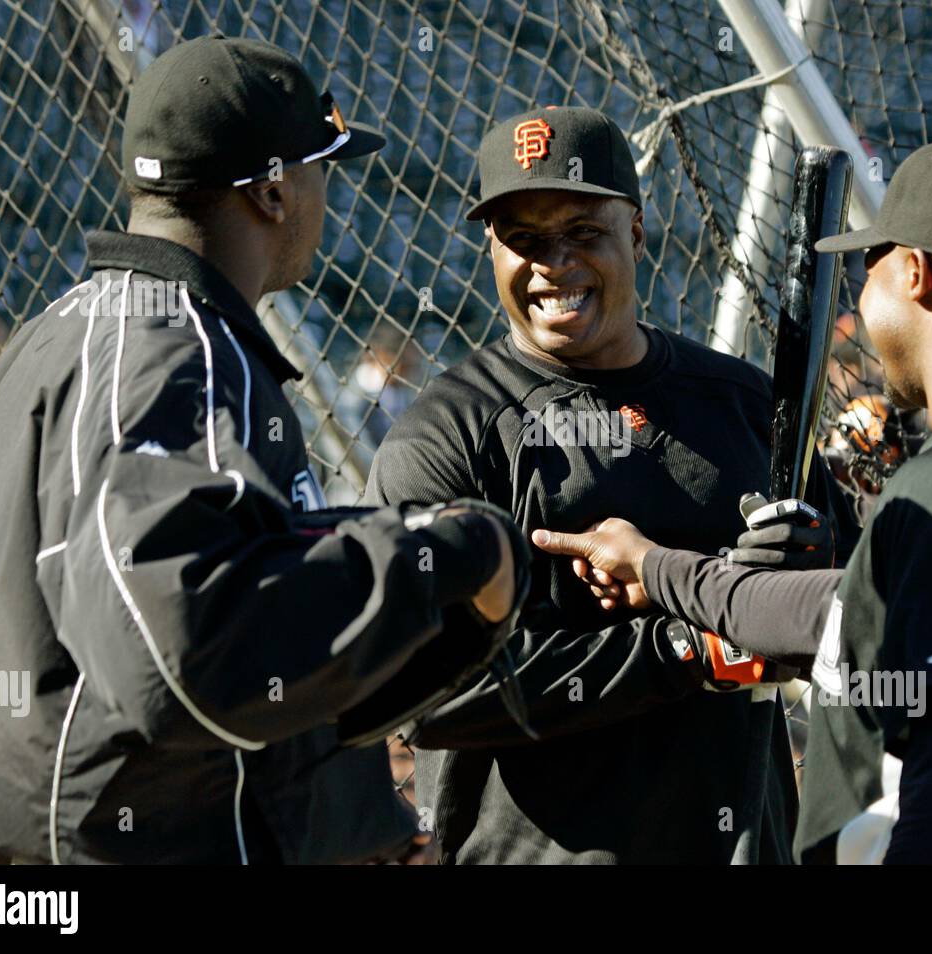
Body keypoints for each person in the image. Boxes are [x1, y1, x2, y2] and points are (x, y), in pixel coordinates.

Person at [0, 36, 527, 865]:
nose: (329, 192)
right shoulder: (178, 348)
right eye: (323, 167)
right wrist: (452, 553)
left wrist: (362, 829)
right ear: (275, 192)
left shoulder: (49, 333)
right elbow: (177, 654)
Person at [536, 138, 932, 864]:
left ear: (917, 273)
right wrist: (659, 566)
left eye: (872, 269)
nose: (862, 305)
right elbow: (846, 611)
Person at [364, 105, 857, 864]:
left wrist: (801, 585)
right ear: (489, 249)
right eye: (522, 240)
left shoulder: (747, 406)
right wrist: (688, 649)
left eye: (582, 233)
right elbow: (420, 694)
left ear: (635, 230)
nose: (552, 263)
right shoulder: (445, 435)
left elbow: (862, 622)